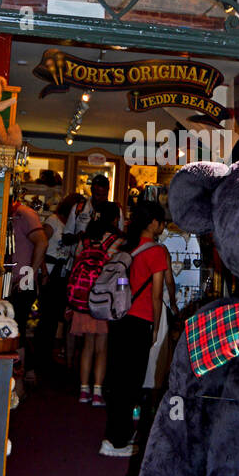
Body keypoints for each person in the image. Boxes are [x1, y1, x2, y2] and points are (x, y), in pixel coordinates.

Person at [101, 200, 169, 458]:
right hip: (140, 320)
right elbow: (156, 293)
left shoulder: (124, 246)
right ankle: (118, 441)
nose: (162, 226)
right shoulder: (157, 252)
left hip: (118, 318)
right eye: (161, 221)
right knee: (132, 381)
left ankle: (113, 434)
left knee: (117, 376)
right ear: (152, 223)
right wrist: (154, 326)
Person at [65, 203, 122, 405]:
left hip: (83, 299)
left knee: (87, 345)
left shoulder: (86, 239)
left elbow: (75, 266)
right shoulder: (117, 241)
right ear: (115, 218)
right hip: (104, 300)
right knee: (102, 347)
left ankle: (83, 389)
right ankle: (97, 392)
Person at [31, 192, 83, 374]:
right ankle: (38, 358)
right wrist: (43, 271)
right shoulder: (53, 222)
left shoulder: (72, 227)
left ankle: (45, 357)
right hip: (51, 272)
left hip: (62, 273)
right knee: (47, 317)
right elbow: (40, 245)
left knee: (53, 318)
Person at [8, 195, 48, 365]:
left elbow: (42, 242)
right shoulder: (14, 213)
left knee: (19, 330)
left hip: (21, 280)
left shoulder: (24, 213)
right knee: (16, 329)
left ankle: (19, 376)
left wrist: (29, 276)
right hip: (15, 280)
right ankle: (22, 374)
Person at [61, 173, 123, 258]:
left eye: (104, 195)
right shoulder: (79, 208)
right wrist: (79, 237)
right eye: (97, 195)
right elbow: (65, 238)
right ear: (91, 190)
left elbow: (120, 238)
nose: (100, 198)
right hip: (80, 261)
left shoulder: (115, 210)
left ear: (108, 191)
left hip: (104, 263)